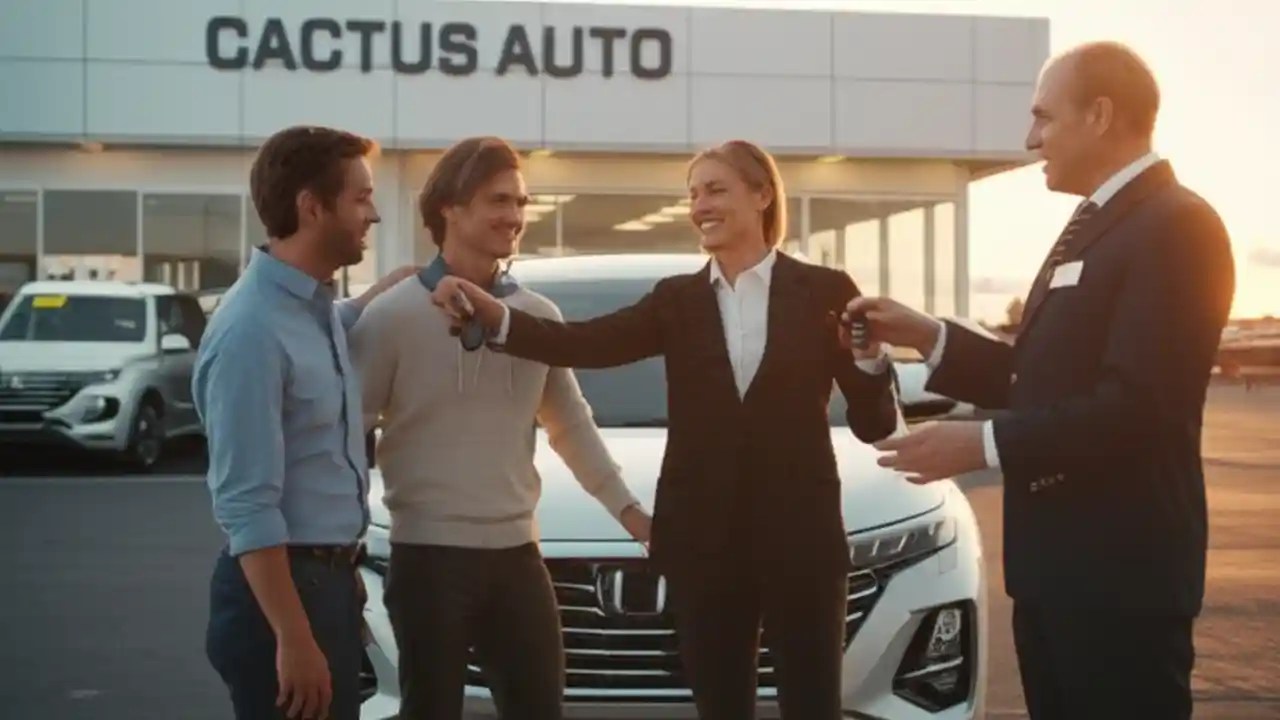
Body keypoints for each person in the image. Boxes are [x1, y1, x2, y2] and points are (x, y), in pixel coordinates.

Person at [428, 140, 902, 720]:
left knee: (813, 706)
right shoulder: (676, 301)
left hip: (802, 545)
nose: (700, 204)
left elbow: (874, 424)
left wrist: (872, 362)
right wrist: (495, 315)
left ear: (761, 195)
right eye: (694, 193)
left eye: (716, 189)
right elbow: (584, 343)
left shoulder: (827, 292)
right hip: (702, 548)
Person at [846, 42, 1235, 720]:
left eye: (1043, 118)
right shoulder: (1101, 224)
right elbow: (1036, 375)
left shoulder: (1177, 226)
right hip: (1059, 574)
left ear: (1101, 114)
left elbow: (1140, 406)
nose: (1031, 141)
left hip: (1120, 581)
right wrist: (928, 334)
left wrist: (983, 445)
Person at [347, 136, 652, 720]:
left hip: (518, 557)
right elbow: (347, 441)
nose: (514, 216)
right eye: (497, 200)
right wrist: (343, 551)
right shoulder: (392, 317)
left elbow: (571, 428)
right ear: (449, 209)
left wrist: (633, 515)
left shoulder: (537, 318)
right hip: (427, 558)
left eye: (520, 201)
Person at [196, 125, 414, 720]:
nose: (374, 214)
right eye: (361, 198)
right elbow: (247, 506)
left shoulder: (311, 310)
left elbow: (337, 323)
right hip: (283, 600)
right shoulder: (251, 332)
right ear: (312, 207)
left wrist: (391, 293)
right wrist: (293, 638)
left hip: (328, 584)